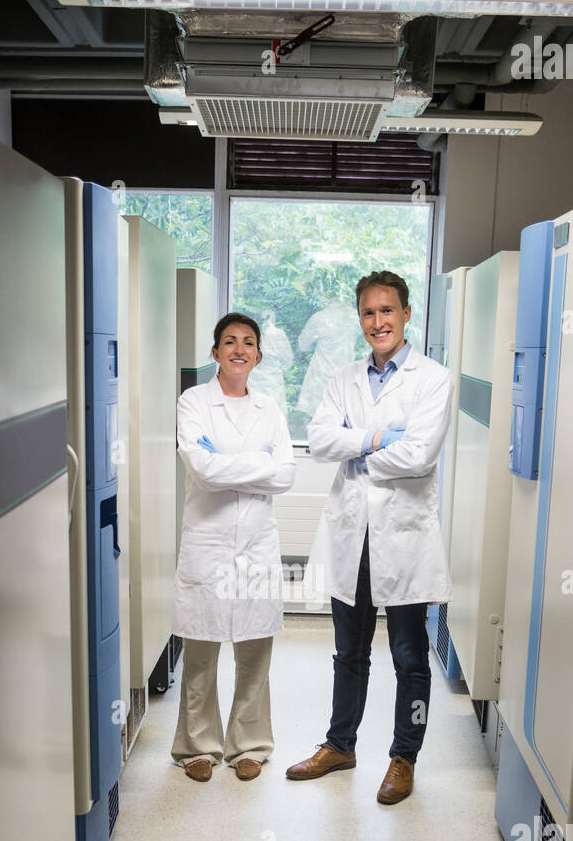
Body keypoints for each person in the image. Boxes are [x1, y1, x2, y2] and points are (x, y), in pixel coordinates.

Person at [286, 271, 453, 804]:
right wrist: (379, 438)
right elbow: (317, 440)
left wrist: (355, 450)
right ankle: (341, 745)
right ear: (360, 320)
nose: (378, 322)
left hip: (404, 537)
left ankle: (404, 758)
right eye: (368, 313)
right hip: (350, 535)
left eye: (387, 311)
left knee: (409, 655)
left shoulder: (434, 379)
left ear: (407, 314)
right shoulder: (344, 378)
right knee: (348, 652)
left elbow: (420, 455)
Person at [171, 313, 296, 782]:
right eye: (229, 342)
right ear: (215, 352)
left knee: (254, 647)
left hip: (256, 542)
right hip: (209, 539)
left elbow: (285, 475)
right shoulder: (194, 402)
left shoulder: (270, 409)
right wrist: (257, 464)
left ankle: (248, 745)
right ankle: (197, 746)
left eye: (248, 342)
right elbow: (202, 470)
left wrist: (230, 463)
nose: (239, 349)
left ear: (258, 354)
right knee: (201, 647)